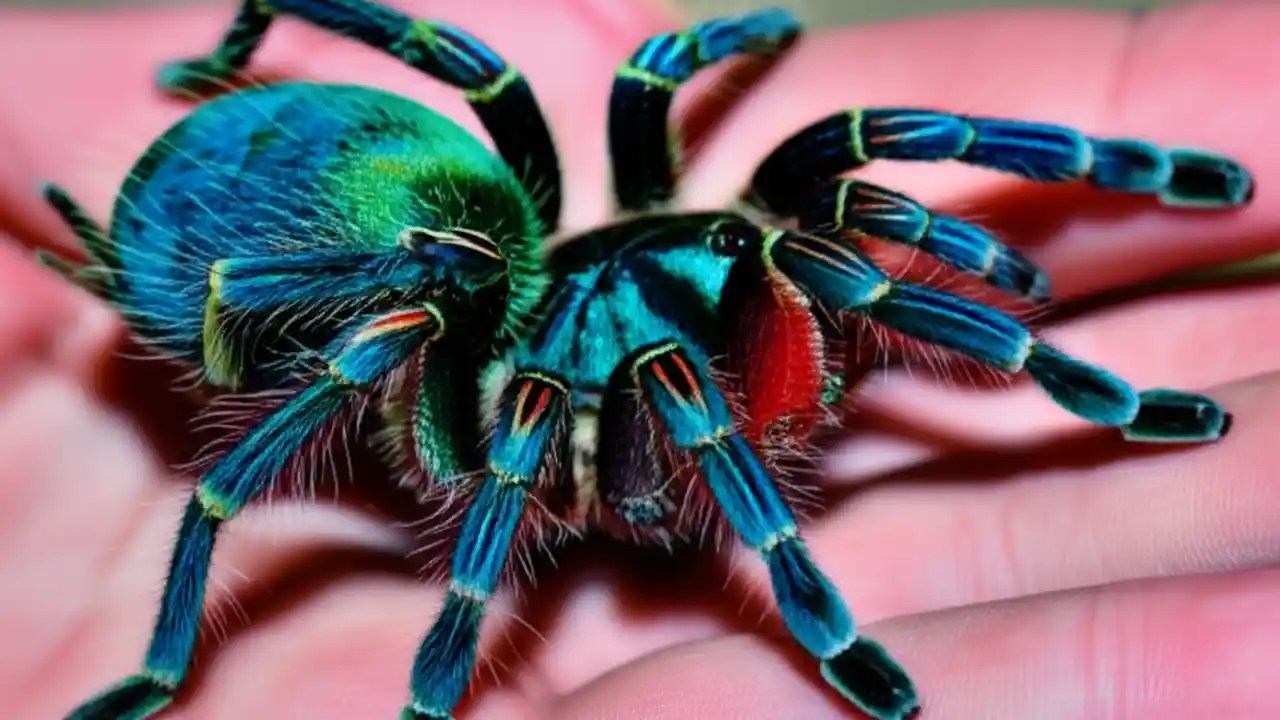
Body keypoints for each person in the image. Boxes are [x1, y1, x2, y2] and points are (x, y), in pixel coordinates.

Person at [1, 1, 1278, 717]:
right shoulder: (503, 351)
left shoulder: (760, 259)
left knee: (828, 162)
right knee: (458, 298)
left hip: (370, 240)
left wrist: (1043, 243)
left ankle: (1125, 181)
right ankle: (164, 671)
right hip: (232, 268)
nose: (801, 278)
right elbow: (241, 469)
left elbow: (692, 105)